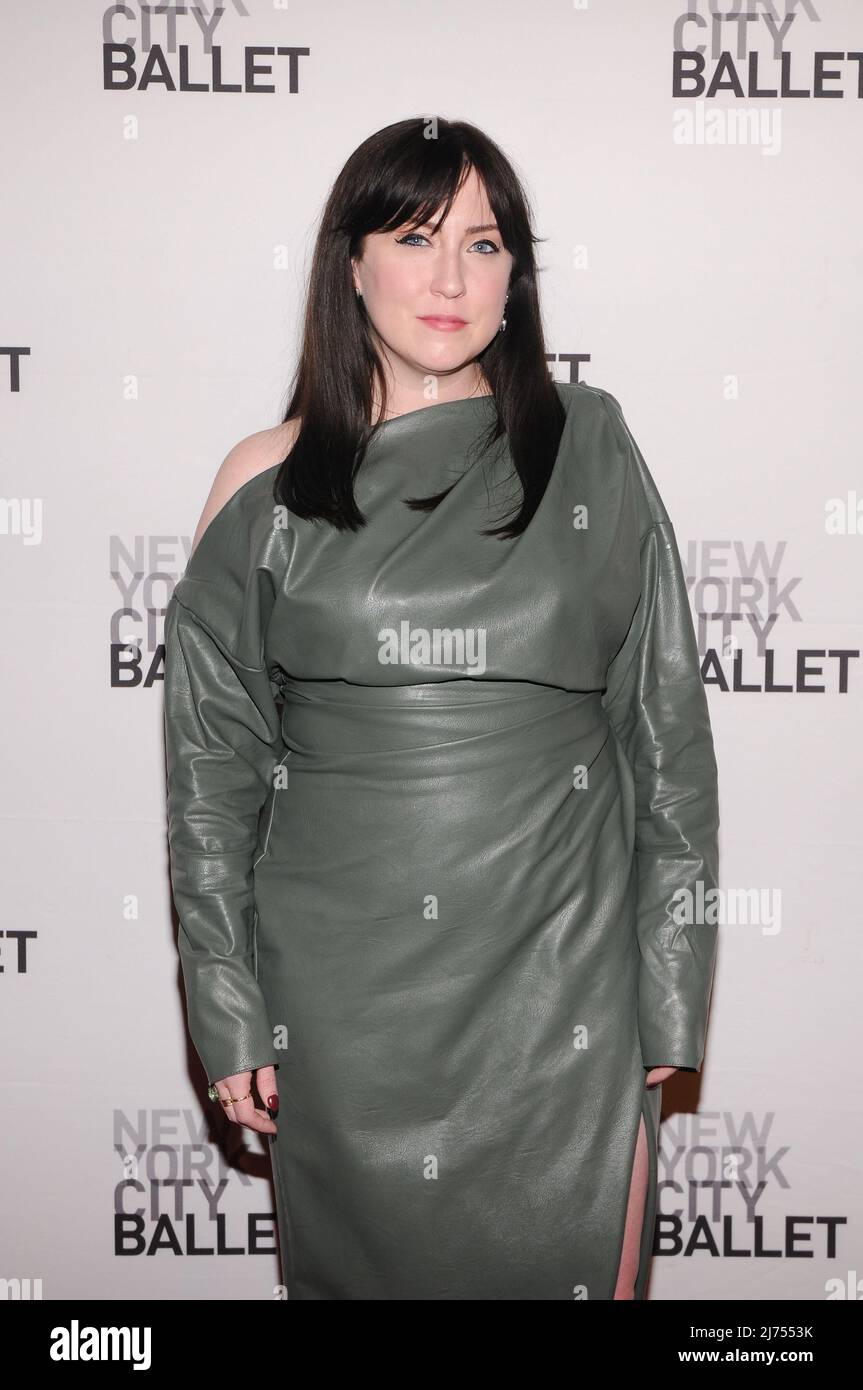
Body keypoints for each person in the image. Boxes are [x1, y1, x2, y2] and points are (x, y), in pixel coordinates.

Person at [163, 116, 720, 1301]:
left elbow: (663, 737)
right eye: (414, 238)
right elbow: (212, 772)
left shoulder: (595, 453)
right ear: (348, 263)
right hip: (345, 1000)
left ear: (517, 278)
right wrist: (226, 1000)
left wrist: (668, 991)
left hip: (560, 985)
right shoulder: (262, 481)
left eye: (483, 243)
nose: (450, 277)